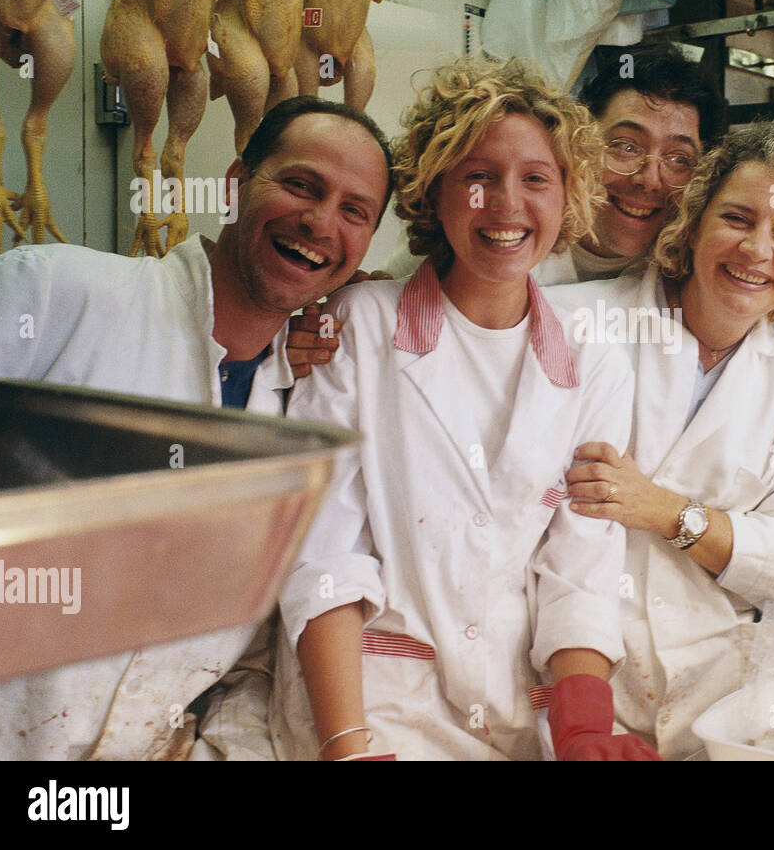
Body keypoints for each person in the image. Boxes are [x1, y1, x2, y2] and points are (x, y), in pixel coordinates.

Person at [260, 57, 658, 760]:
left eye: (536, 178)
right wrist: (349, 745)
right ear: (434, 193)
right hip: (370, 707)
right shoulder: (355, 326)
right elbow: (324, 547)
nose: (507, 204)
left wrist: (586, 726)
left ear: (569, 197)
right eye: (478, 176)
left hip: (517, 717)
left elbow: (581, 559)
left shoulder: (592, 363)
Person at [0, 95, 394, 759]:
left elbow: (245, 662)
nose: (320, 222)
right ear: (234, 185)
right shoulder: (55, 293)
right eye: (299, 184)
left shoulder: (298, 414)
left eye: (354, 210)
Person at [544, 121, 774, 758]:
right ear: (691, 227)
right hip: (572, 684)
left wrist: (667, 512)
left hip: (724, 707)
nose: (756, 250)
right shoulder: (577, 321)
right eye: (738, 219)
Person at [299, 44, 774, 390]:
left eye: (679, 158)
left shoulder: (692, 271)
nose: (649, 179)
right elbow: (390, 309)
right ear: (582, 145)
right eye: (627, 146)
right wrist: (320, 327)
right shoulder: (496, 237)